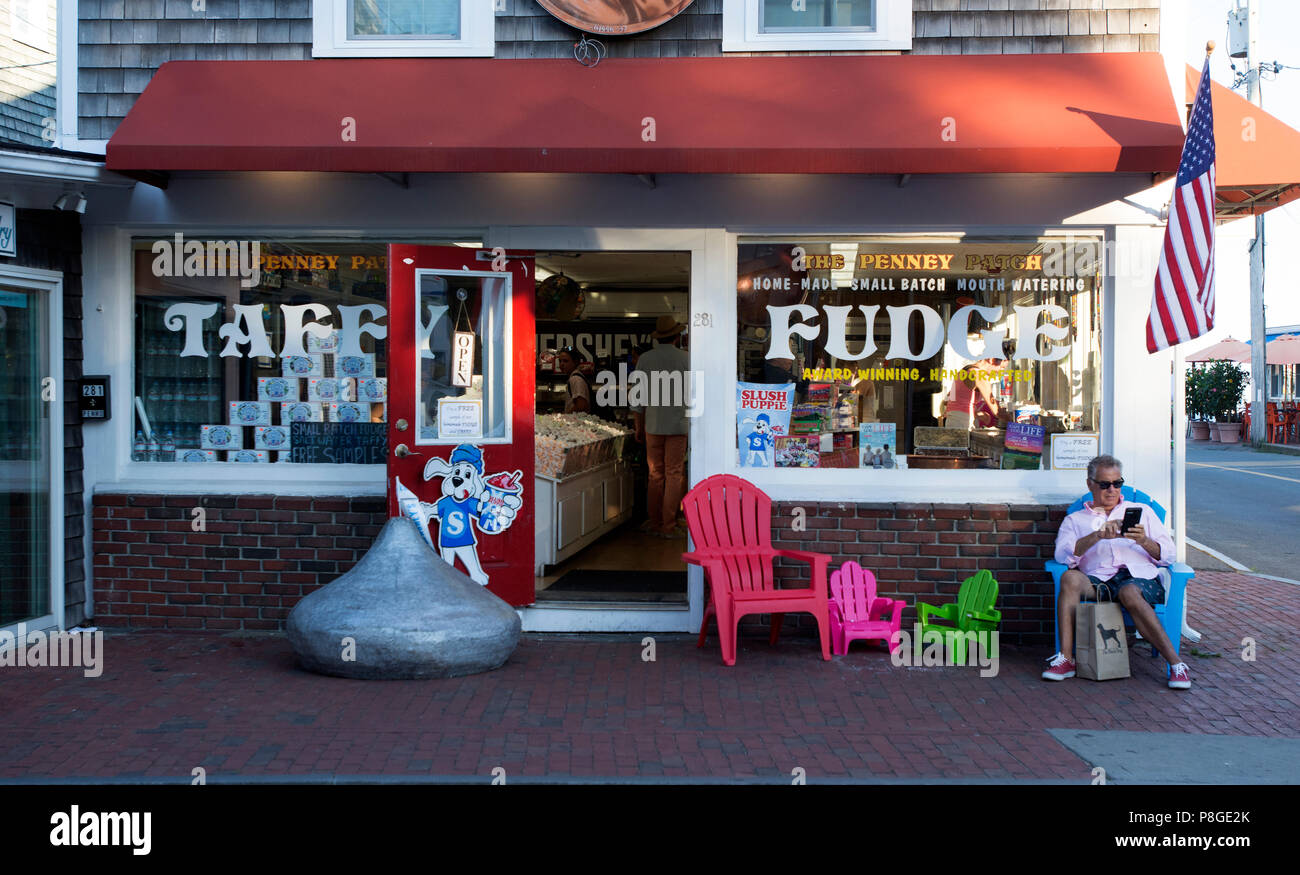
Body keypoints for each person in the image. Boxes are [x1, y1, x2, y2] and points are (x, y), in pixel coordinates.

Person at [1043, 454, 1191, 689]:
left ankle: (1176, 664)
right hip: (1097, 581)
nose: (1112, 490)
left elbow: (1169, 555)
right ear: (1090, 484)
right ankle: (1066, 659)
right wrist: (1097, 536)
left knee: (1130, 592)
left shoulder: (1141, 510)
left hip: (1138, 579)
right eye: (1104, 484)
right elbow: (1063, 557)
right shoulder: (1075, 520)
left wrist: (1143, 540)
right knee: (1069, 577)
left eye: (1117, 483)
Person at [631, 315, 690, 538]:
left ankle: (654, 522)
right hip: (678, 425)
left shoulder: (645, 359)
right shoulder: (686, 359)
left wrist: (638, 426)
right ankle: (669, 525)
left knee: (655, 474)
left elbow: (638, 398)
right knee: (674, 473)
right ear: (677, 337)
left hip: (652, 424)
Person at [555, 347, 590, 414]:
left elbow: (581, 406)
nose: (561, 364)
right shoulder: (575, 377)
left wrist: (565, 416)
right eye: (560, 361)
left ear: (575, 362)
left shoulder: (575, 379)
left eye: (565, 361)